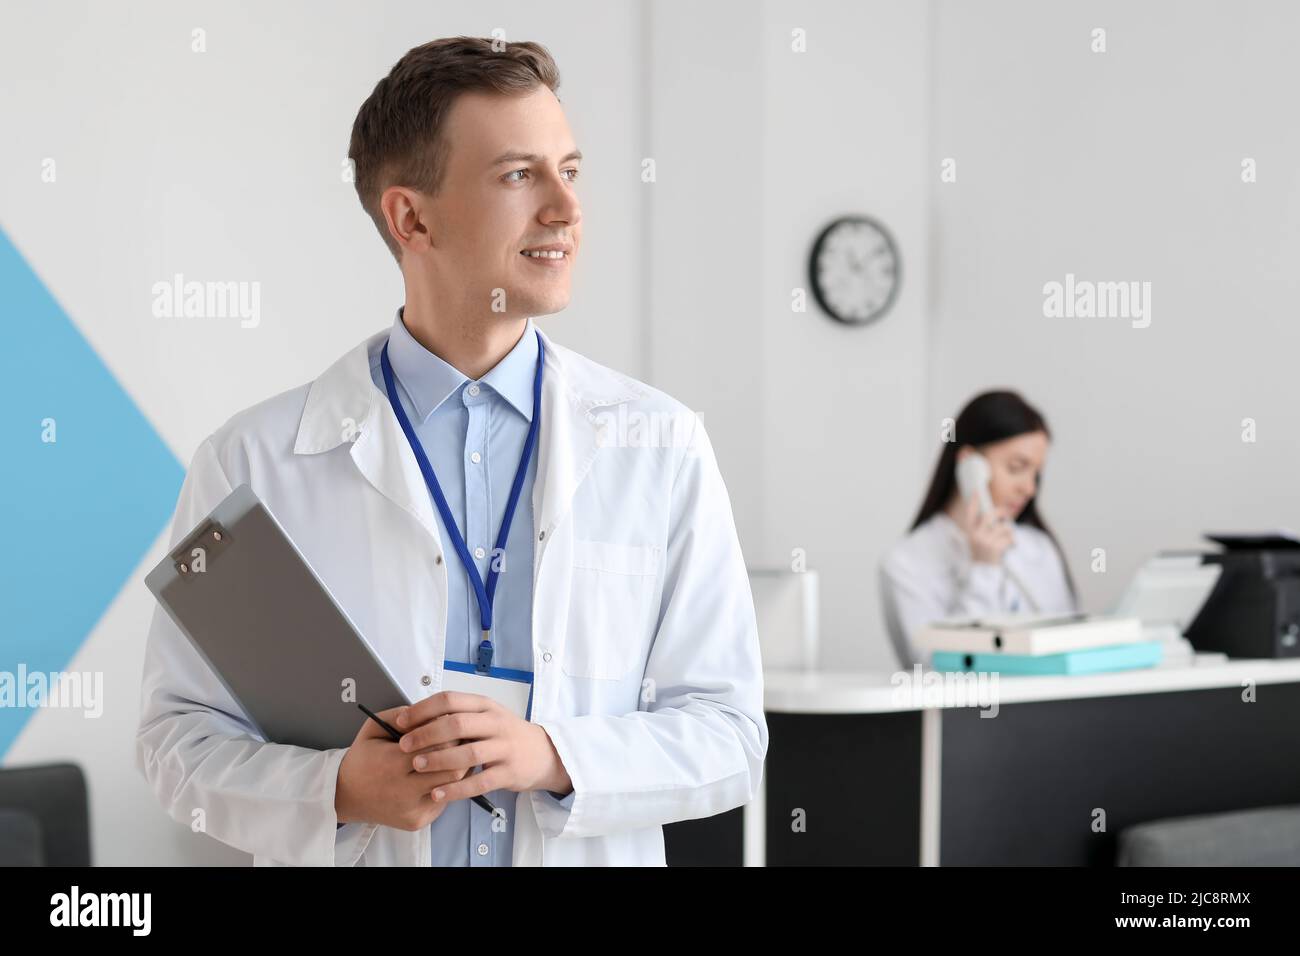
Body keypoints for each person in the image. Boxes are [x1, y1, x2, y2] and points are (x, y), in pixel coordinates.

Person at [136, 36, 767, 867]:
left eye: (569, 171)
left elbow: (729, 736)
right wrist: (337, 789)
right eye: (518, 175)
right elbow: (175, 741)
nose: (566, 209)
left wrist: (552, 757)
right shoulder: (251, 462)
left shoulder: (662, 443)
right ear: (411, 217)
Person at [879, 390, 1077, 668]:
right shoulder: (906, 562)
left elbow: (1072, 648)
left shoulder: (1039, 548)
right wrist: (985, 568)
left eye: (1036, 473)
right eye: (1016, 467)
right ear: (970, 464)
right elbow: (932, 666)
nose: (1029, 488)